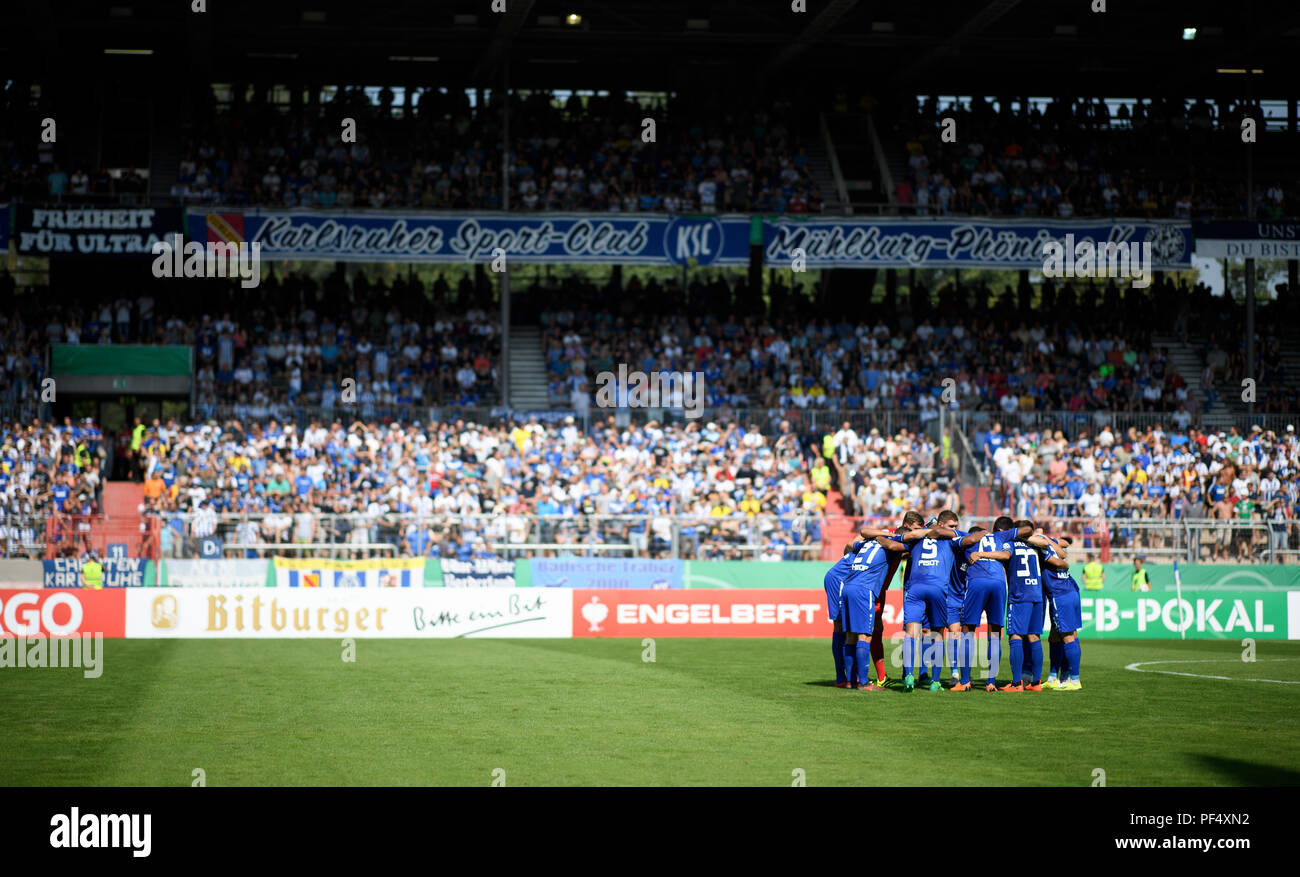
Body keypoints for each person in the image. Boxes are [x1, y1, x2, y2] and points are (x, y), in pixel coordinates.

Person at [840, 527, 909, 691]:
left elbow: (852, 544)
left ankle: (851, 681)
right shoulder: (891, 545)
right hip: (864, 590)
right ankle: (864, 683)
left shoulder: (867, 544)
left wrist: (878, 535)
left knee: (851, 636)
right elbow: (895, 547)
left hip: (848, 586)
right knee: (865, 637)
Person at [954, 525, 1013, 691]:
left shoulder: (968, 541)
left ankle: (965, 681)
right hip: (999, 582)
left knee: (967, 631)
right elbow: (1006, 555)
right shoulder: (998, 539)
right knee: (994, 634)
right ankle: (991, 683)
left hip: (977, 582)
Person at [1038, 535, 1083, 690]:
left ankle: (1074, 680)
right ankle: (1053, 677)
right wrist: (1049, 539)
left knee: (1068, 636)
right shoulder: (1052, 545)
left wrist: (1042, 537)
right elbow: (1065, 545)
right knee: (1055, 635)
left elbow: (1060, 560)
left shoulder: (1042, 548)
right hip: (1071, 590)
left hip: (1060, 594)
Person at [824, 541, 862, 688]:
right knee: (845, 628)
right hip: (838, 581)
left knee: (845, 628)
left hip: (838, 580)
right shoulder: (856, 556)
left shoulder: (849, 558)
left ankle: (848, 676)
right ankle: (846, 677)